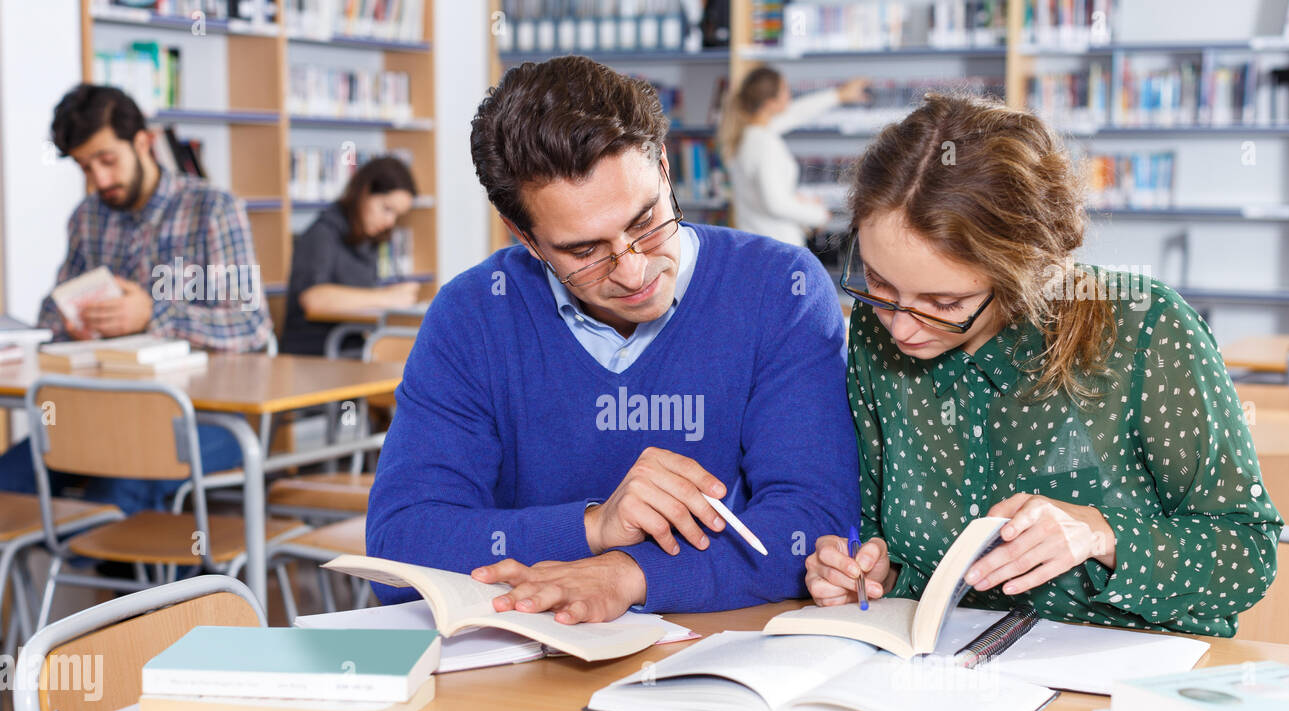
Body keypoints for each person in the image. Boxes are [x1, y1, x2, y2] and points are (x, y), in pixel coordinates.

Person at [365, 55, 859, 621]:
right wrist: (595, 527)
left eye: (646, 220)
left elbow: (814, 527)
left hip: (719, 665)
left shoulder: (783, 291)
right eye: (584, 250)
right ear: (527, 239)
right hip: (522, 678)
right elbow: (399, 549)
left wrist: (629, 574)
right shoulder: (472, 315)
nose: (632, 270)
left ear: (666, 171)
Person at [803, 93, 1280, 638]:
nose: (902, 328)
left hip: (1120, 682)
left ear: (1024, 271)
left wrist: (1101, 534)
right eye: (879, 285)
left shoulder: (1146, 326)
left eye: (945, 304)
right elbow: (877, 539)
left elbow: (1248, 555)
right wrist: (861, 571)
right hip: (944, 676)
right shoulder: (875, 329)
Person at [0, 84, 271, 515]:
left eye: (107, 160)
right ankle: (93, 567)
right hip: (103, 414)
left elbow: (252, 326)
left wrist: (152, 312)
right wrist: (71, 323)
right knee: (7, 481)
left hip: (205, 417)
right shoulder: (88, 217)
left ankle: (159, 576)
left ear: (144, 143)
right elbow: (50, 315)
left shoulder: (213, 209)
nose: (99, 180)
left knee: (115, 491)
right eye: (85, 167)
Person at [281, 156, 420, 355]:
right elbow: (313, 299)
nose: (390, 222)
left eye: (396, 215)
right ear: (364, 193)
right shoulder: (321, 234)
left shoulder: (367, 241)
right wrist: (386, 297)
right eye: (386, 208)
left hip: (349, 347)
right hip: (315, 355)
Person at [719, 67, 868, 248]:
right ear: (771, 102)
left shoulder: (747, 136)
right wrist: (818, 214)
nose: (789, 95)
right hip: (778, 246)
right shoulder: (763, 144)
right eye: (785, 90)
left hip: (759, 241)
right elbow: (775, 203)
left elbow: (795, 114)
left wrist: (839, 95)